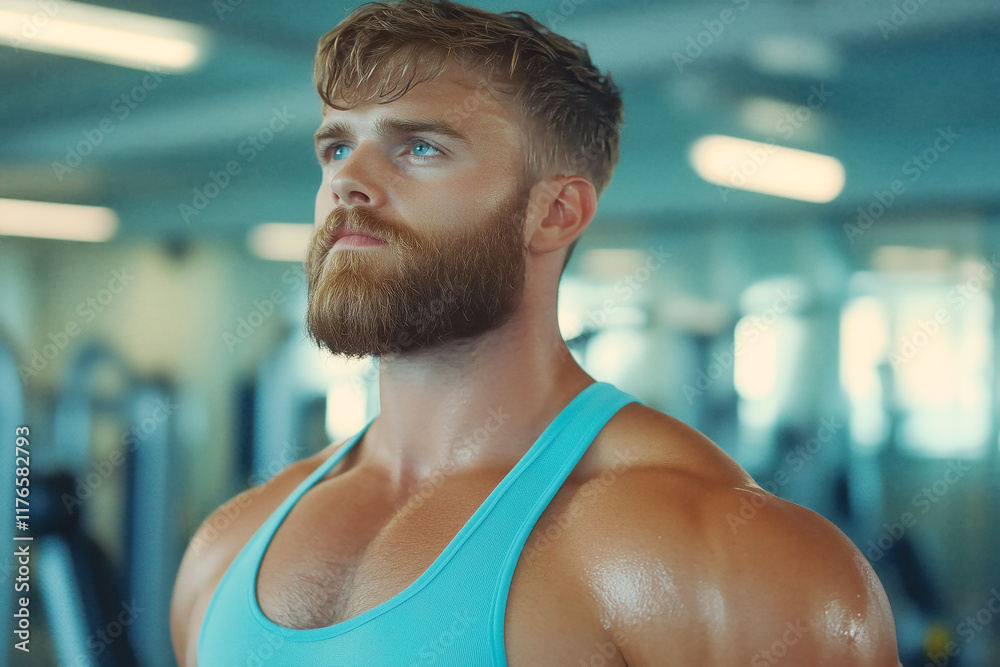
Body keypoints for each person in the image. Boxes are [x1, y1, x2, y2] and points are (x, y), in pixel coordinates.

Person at [170, 1, 903, 664]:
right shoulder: (226, 546)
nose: (347, 181)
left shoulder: (718, 557)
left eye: (419, 146)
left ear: (554, 213)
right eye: (335, 148)